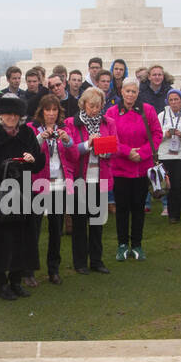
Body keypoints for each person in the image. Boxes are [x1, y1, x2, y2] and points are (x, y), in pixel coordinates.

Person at [0, 92, 44, 299]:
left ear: (20, 116)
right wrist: (5, 162)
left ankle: (16, 280)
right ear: (0, 114)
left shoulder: (27, 134)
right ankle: (0, 284)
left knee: (22, 239)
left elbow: (39, 164)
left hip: (23, 193)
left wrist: (32, 159)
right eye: (7, 114)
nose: (11, 118)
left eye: (15, 114)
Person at [105, 79, 162, 260]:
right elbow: (109, 138)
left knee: (139, 207)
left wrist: (143, 153)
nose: (130, 95)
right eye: (127, 91)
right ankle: (122, 245)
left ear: (138, 92)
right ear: (122, 91)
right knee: (121, 209)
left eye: (134, 91)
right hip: (120, 167)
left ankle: (137, 244)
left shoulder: (148, 110)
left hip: (141, 168)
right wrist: (128, 152)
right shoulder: (112, 112)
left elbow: (157, 134)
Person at [65, 86, 115, 274]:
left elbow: (113, 147)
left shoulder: (108, 122)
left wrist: (104, 147)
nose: (95, 109)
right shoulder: (71, 123)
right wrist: (88, 144)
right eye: (91, 105)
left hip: (100, 178)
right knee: (79, 223)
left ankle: (96, 260)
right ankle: (80, 263)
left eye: (98, 106)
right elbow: (69, 152)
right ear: (83, 104)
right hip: (80, 179)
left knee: (97, 222)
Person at [28, 94, 77, 283]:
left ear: (59, 112)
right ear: (42, 111)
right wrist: (40, 138)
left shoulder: (64, 129)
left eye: (54, 110)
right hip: (38, 183)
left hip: (59, 184)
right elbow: (28, 152)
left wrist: (67, 141)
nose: (51, 114)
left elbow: (73, 156)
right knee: (34, 228)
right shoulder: (32, 128)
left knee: (56, 229)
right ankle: (29, 270)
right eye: (47, 110)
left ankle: (53, 269)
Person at [157, 87, 181, 224]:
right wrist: (166, 134)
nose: (174, 102)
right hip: (166, 155)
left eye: (176, 99)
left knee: (180, 184)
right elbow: (155, 135)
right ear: (167, 101)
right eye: (171, 100)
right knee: (170, 185)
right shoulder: (162, 115)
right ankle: (173, 214)